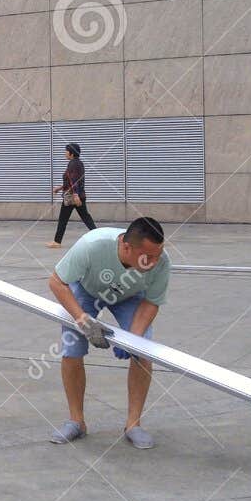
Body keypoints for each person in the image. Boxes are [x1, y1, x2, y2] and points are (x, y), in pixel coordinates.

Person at [46, 217, 170, 450]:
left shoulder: (161, 261)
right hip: (87, 290)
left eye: (158, 255)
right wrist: (83, 320)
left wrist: (133, 336)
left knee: (143, 350)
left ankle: (134, 424)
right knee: (72, 349)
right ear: (126, 247)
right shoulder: (92, 245)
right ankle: (76, 422)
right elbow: (56, 282)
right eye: (148, 258)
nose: (154, 262)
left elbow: (152, 302)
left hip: (131, 296)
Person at [46, 142, 96, 248]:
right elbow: (70, 181)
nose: (65, 153)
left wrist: (75, 195)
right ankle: (98, 236)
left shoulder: (73, 164)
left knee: (63, 219)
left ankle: (57, 242)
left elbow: (74, 181)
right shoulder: (78, 163)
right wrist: (59, 188)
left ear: (71, 153)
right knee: (86, 217)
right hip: (76, 195)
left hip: (72, 197)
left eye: (66, 151)